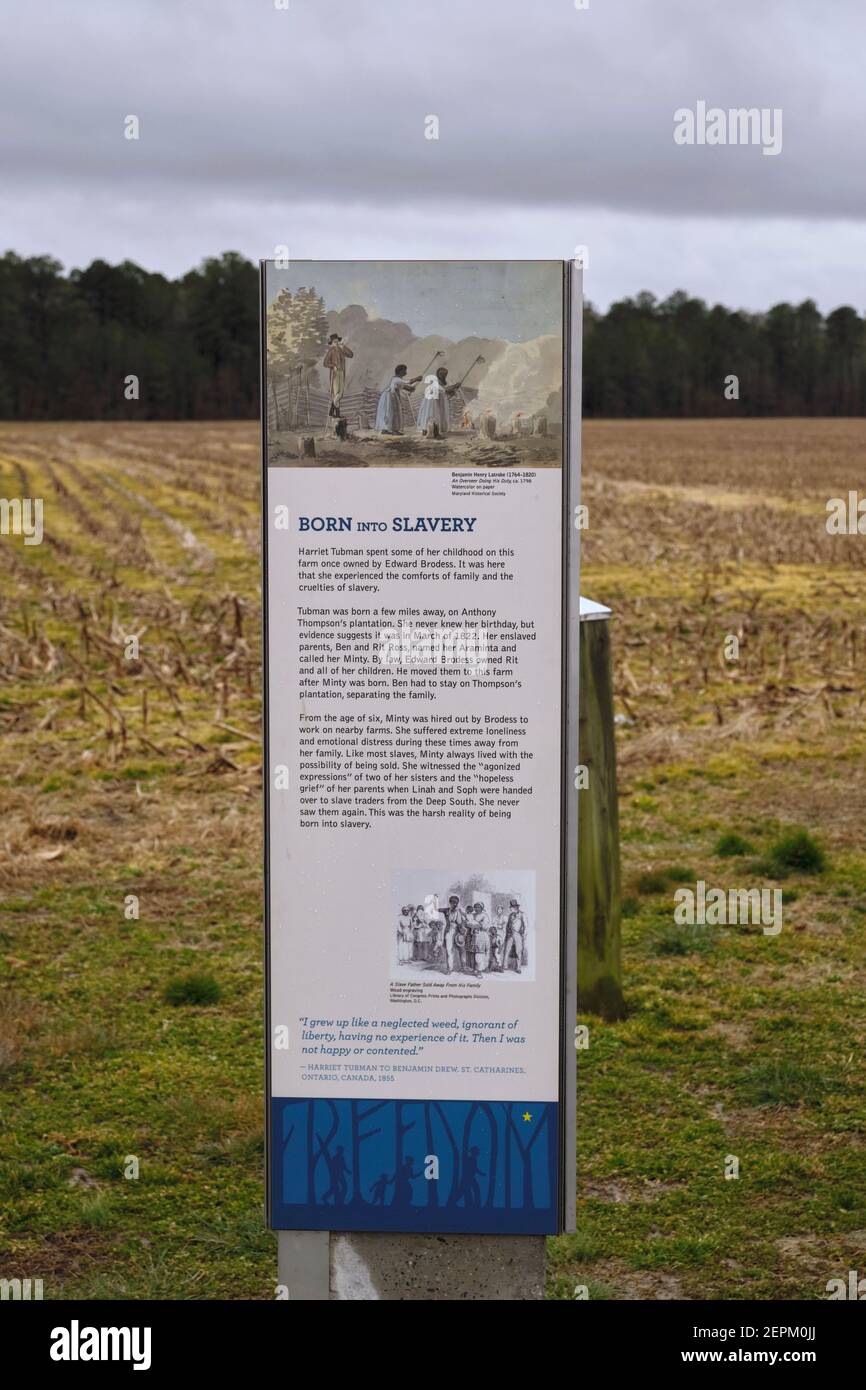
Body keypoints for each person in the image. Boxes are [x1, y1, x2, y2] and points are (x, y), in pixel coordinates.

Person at [375, 364, 421, 434]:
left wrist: (415, 385)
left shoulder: (398, 380)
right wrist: (417, 378)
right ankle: (390, 429)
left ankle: (390, 429)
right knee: (390, 412)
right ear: (400, 371)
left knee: (392, 412)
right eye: (404, 370)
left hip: (392, 397)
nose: (405, 372)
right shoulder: (396, 379)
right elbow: (408, 382)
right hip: (390, 397)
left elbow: (408, 388)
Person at [417, 366, 458, 439]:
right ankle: (435, 434)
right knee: (434, 416)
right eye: (444, 375)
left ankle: (426, 431)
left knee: (428, 416)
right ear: (439, 375)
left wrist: (452, 391)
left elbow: (444, 391)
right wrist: (455, 386)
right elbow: (445, 390)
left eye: (445, 374)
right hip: (432, 402)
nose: (445, 376)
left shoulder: (436, 383)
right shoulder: (436, 382)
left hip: (430, 402)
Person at [322, 333, 353, 417]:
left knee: (341, 393)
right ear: (332, 343)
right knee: (336, 393)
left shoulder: (341, 349)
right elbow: (325, 363)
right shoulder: (331, 351)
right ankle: (337, 414)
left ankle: (331, 411)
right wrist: (333, 366)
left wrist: (343, 346)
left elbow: (351, 355)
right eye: (334, 342)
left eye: (337, 341)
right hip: (335, 374)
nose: (336, 343)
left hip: (342, 373)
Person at [441, 893, 466, 975]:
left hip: (458, 932)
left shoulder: (459, 911)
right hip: (449, 931)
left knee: (461, 950)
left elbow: (461, 923)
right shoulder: (446, 910)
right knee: (449, 950)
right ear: (450, 903)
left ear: (457, 903)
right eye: (452, 902)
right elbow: (437, 909)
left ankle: (463, 967)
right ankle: (450, 968)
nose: (454, 904)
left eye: (455, 902)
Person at [502, 899, 527, 974]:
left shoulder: (522, 914)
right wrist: (506, 934)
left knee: (518, 951)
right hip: (510, 934)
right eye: (510, 907)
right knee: (506, 950)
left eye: (511, 907)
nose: (510, 909)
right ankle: (505, 966)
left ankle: (518, 968)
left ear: (515, 907)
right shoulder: (510, 915)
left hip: (518, 934)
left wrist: (524, 935)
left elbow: (526, 925)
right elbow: (508, 925)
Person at [471, 902, 491, 974]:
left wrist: (477, 925)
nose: (476, 908)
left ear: (482, 908)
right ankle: (475, 968)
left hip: (482, 935)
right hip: (474, 935)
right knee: (474, 953)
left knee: (480, 953)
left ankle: (480, 970)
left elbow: (485, 926)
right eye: (475, 907)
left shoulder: (484, 915)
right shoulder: (472, 915)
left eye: (478, 907)